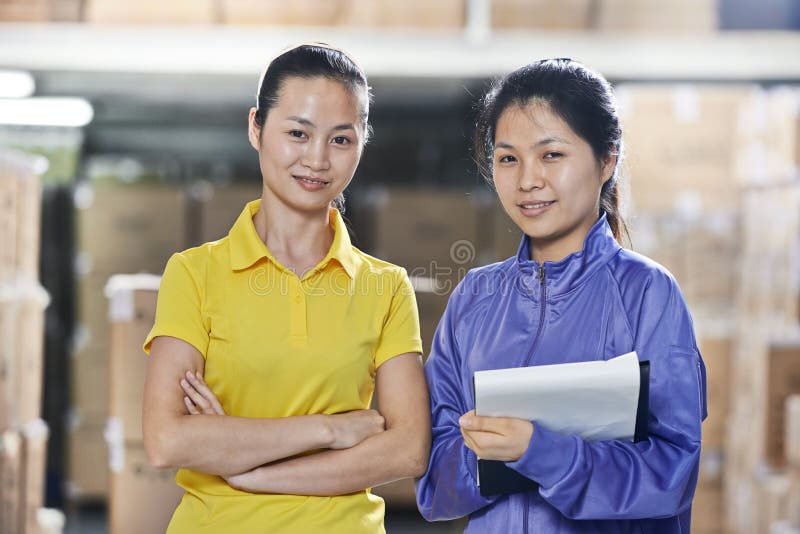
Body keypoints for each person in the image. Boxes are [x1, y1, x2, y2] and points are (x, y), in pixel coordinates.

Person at [142, 43, 431, 534]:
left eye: (341, 140)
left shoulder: (386, 287)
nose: (317, 159)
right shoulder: (194, 274)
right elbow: (166, 440)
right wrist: (330, 429)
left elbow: (408, 449)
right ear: (256, 128)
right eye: (298, 133)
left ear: (362, 142)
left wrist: (246, 468)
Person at [415, 58, 707, 533]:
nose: (528, 179)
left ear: (606, 159)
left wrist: (540, 452)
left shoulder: (646, 293)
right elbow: (432, 485)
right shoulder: (475, 298)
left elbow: (671, 474)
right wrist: (487, 458)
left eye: (551, 155)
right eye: (508, 158)